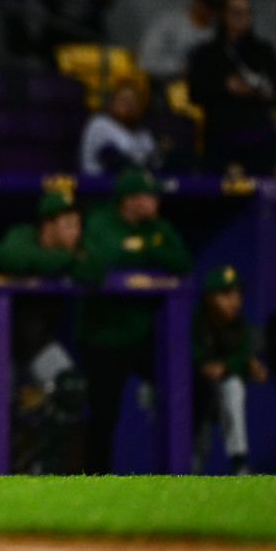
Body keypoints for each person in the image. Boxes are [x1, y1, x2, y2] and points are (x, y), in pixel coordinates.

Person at [77, 168, 192, 474]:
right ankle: (95, 482)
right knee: (103, 415)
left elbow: (182, 261)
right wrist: (151, 252)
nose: (155, 201)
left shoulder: (157, 226)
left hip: (143, 336)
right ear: (129, 200)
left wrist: (145, 247)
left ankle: (180, 472)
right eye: (148, 196)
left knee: (190, 389)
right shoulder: (101, 221)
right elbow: (107, 257)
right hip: (103, 335)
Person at [0, 190, 90, 473]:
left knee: (71, 387)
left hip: (36, 343)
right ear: (47, 225)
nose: (75, 232)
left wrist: (57, 260)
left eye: (77, 224)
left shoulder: (79, 245)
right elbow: (15, 261)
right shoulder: (21, 235)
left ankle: (44, 468)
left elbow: (96, 269)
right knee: (0, 413)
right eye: (67, 224)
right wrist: (65, 260)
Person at [187, 0, 276, 176]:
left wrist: (260, 92)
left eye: (246, 12)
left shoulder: (264, 51)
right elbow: (195, 94)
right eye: (235, 11)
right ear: (223, 14)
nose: (241, 17)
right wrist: (226, 87)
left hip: (259, 132)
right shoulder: (206, 53)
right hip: (222, 130)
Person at [192, 264, 268, 475]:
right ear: (210, 298)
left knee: (233, 386)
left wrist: (227, 365)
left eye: (238, 294)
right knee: (195, 448)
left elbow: (242, 359)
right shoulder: (193, 321)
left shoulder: (241, 327)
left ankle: (239, 462)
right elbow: (194, 360)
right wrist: (239, 364)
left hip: (214, 393)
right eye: (227, 294)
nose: (236, 301)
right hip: (184, 395)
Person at [138, 0, 225, 88]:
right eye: (208, 5)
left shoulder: (219, 31)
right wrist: (180, 68)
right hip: (165, 86)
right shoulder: (169, 23)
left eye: (216, 8)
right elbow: (146, 62)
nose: (211, 11)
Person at [78, 79, 158, 176]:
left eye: (132, 102)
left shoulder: (143, 133)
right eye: (123, 100)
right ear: (112, 102)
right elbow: (112, 159)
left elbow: (153, 163)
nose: (128, 106)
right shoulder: (100, 123)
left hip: (130, 180)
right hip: (97, 181)